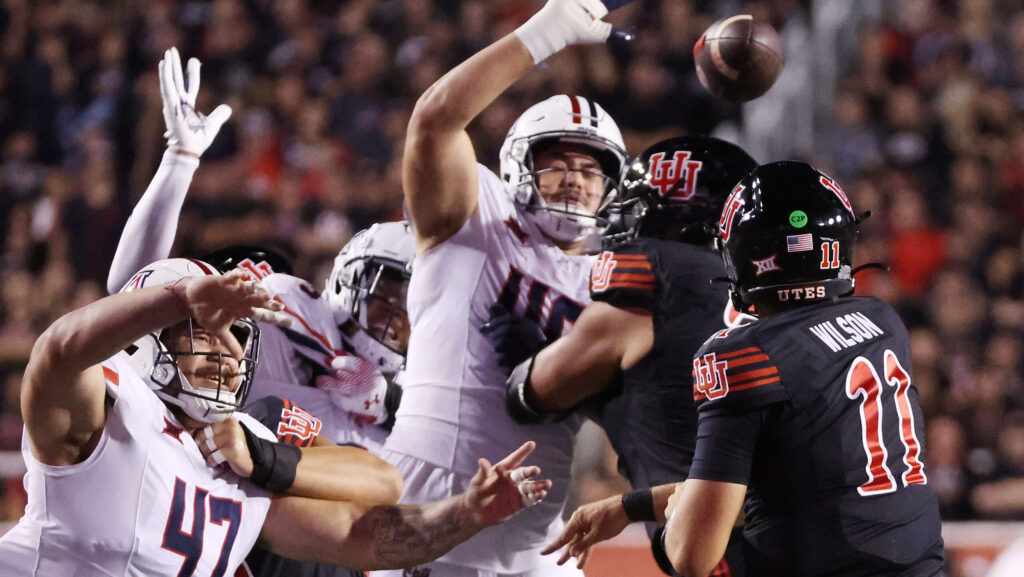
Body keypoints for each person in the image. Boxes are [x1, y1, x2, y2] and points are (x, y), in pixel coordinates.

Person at [0, 258, 551, 575]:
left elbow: (361, 535)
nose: (231, 353)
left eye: (237, 337)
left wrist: (468, 512)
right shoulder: (114, 408)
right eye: (205, 333)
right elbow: (58, 351)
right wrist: (181, 297)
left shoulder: (237, 444)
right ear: (145, 342)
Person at [105, 48, 417, 577]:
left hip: (366, 551)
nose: (393, 313)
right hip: (254, 540)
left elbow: (399, 488)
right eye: (383, 291)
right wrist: (179, 163)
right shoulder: (282, 317)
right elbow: (133, 294)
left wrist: (389, 398)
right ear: (346, 280)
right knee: (265, 423)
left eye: (412, 303)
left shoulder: (422, 389)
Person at [380, 0, 628, 573]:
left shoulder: (613, 278)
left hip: (537, 540)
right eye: (557, 162)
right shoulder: (477, 214)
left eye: (593, 170)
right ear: (519, 167)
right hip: (428, 509)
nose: (575, 180)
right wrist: (544, 33)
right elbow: (435, 118)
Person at [488, 136, 757, 574]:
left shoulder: (653, 273)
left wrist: (537, 347)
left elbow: (532, 394)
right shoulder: (763, 288)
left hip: (727, 551)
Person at [662, 162, 945, 577]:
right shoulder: (883, 321)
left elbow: (691, 556)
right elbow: (812, 476)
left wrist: (673, 520)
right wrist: (628, 506)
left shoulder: (740, 354)